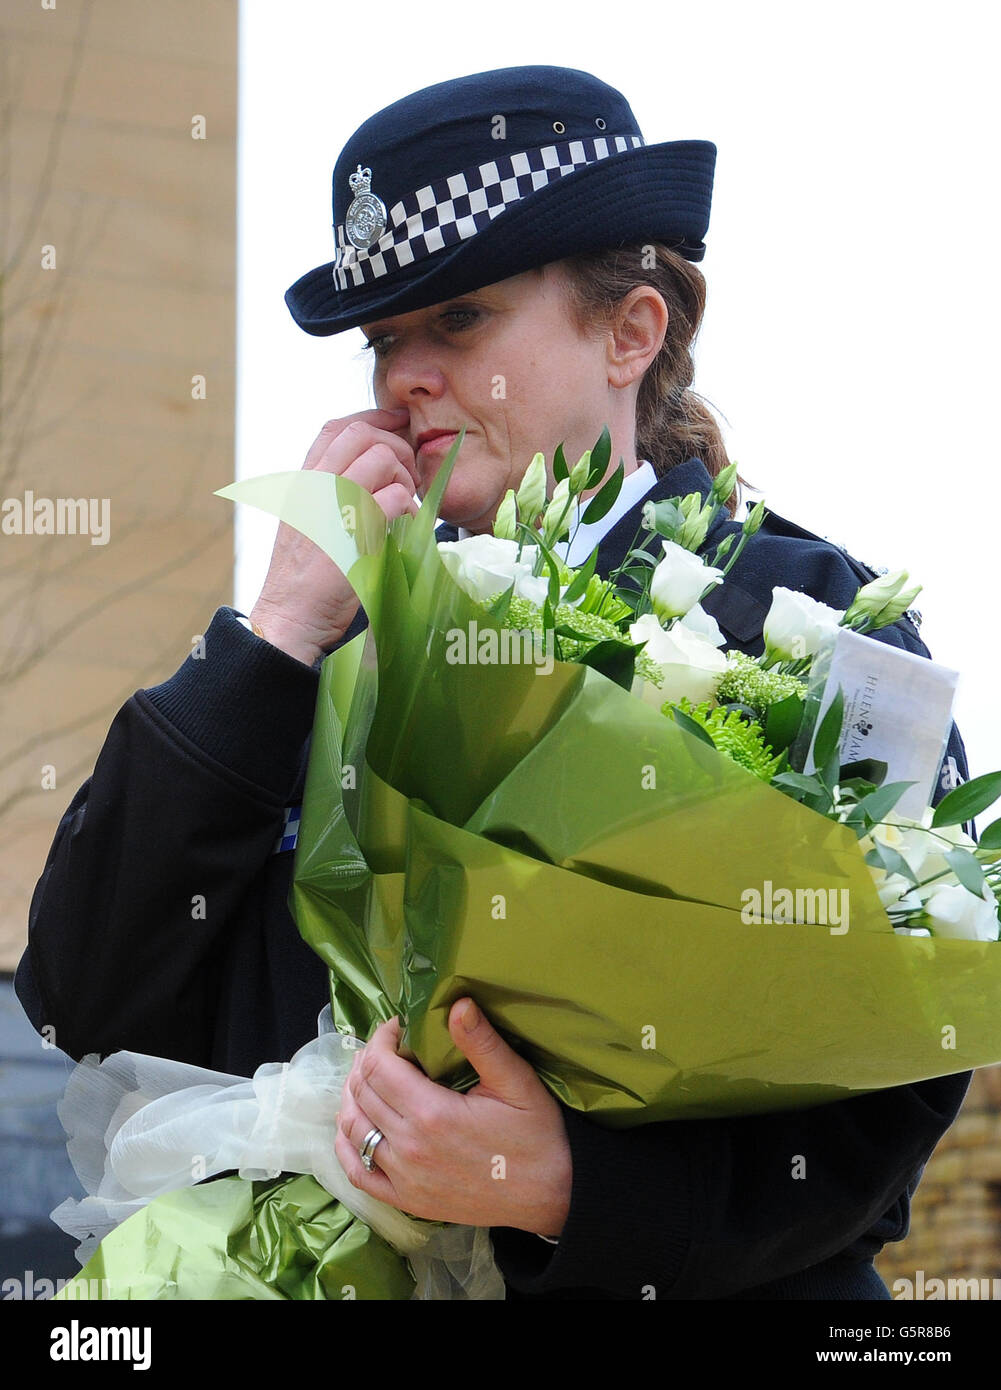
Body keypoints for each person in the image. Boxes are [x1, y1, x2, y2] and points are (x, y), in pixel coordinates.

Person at [17, 65, 974, 1300]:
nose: (400, 376)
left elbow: (892, 1080)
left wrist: (569, 1187)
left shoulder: (815, 624)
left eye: (457, 320)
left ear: (630, 332)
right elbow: (86, 995)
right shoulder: (319, 635)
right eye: (381, 341)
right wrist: (271, 635)